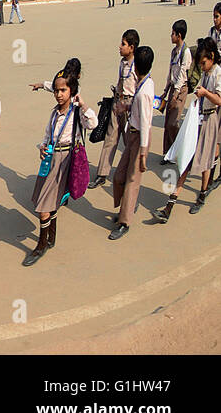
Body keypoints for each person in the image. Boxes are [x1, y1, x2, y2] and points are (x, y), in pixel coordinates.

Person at [23, 68, 97, 265]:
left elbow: (93, 124)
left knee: (43, 208)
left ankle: (41, 245)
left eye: (63, 90)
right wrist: (42, 147)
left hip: (66, 159)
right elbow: (47, 135)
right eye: (56, 90)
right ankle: (51, 237)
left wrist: (84, 106)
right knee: (49, 200)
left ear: (72, 91)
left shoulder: (76, 113)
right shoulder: (54, 113)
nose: (58, 94)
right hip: (51, 158)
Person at [156, 38, 221, 222]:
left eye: (203, 63)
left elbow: (220, 99)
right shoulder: (207, 72)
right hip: (199, 118)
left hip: (210, 119)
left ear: (212, 57)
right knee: (188, 159)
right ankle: (171, 203)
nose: (202, 66)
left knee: (205, 161)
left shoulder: (217, 72)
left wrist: (205, 94)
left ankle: (202, 193)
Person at [109, 45, 156, 240]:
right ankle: (125, 209)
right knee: (119, 176)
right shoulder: (143, 83)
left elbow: (145, 123)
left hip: (140, 138)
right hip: (133, 134)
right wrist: (126, 106)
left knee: (131, 180)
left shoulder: (145, 91)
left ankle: (125, 221)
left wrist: (143, 153)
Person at [92, 30, 138, 188]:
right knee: (110, 138)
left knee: (128, 141)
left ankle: (130, 172)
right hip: (118, 102)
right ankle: (102, 173)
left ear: (131, 47)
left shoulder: (137, 64)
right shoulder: (122, 63)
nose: (120, 47)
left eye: (123, 44)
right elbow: (120, 80)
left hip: (130, 105)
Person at [160, 20, 192, 159]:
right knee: (167, 122)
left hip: (181, 89)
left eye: (173, 33)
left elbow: (182, 74)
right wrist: (166, 90)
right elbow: (171, 71)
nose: (171, 36)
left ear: (179, 35)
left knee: (174, 123)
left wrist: (176, 93)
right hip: (173, 87)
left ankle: (179, 150)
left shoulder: (186, 52)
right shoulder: (174, 51)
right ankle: (168, 153)